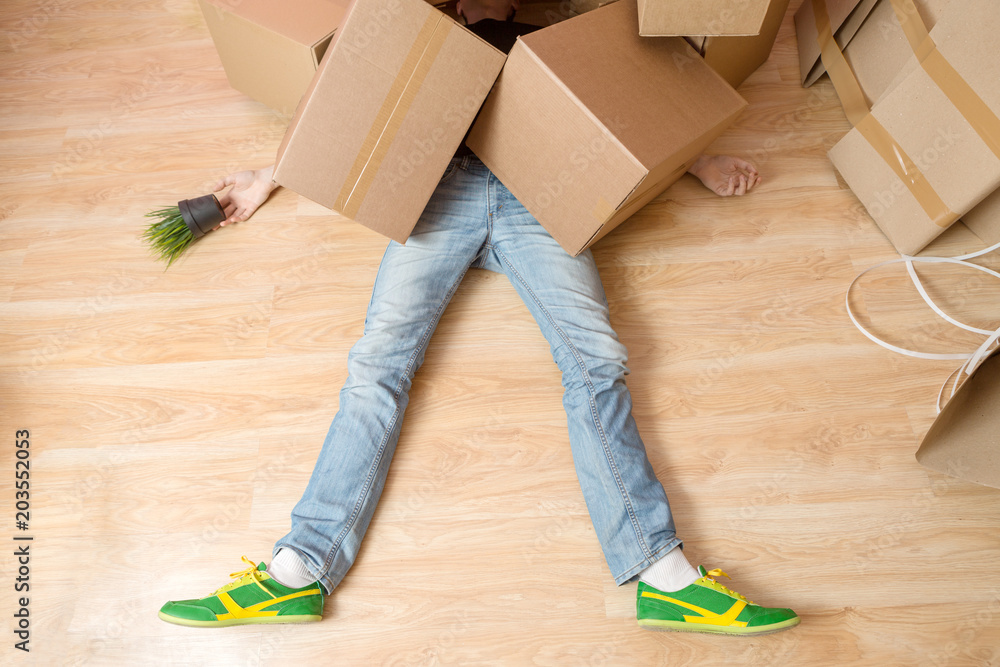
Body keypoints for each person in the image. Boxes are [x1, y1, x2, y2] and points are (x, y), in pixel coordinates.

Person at [158, 0, 798, 636]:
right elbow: (351, 121)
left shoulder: (548, 44)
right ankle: (295, 573)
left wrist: (696, 161)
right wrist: (267, 174)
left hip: (540, 196)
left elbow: (615, 117)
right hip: (438, 195)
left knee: (597, 363)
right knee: (378, 365)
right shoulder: (426, 47)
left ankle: (666, 579)